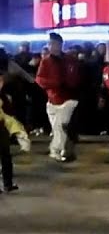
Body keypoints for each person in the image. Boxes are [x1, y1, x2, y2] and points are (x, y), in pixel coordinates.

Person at [35, 32, 81, 162]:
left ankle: (56, 151)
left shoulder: (70, 61)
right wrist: (54, 84)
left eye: (54, 43)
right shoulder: (46, 61)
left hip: (68, 99)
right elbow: (39, 79)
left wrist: (70, 84)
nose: (52, 46)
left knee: (61, 126)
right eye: (50, 44)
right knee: (57, 128)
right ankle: (65, 150)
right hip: (52, 99)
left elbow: (76, 78)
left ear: (60, 45)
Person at [0, 71, 33, 192]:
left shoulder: (4, 95)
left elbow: (9, 113)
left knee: (6, 156)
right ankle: (7, 183)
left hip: (2, 128)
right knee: (5, 156)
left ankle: (7, 184)